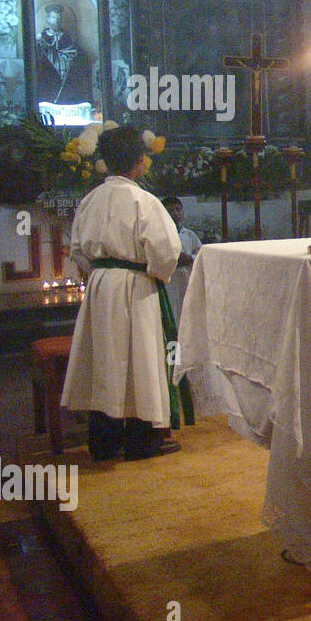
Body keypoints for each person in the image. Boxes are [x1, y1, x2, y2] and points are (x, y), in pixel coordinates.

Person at [62, 127, 192, 461]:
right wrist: (153, 276)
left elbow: (77, 249)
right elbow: (166, 251)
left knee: (104, 359)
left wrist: (99, 275)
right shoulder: (144, 201)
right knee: (139, 362)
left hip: (101, 286)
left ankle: (103, 442)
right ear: (139, 161)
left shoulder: (90, 200)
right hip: (135, 287)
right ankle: (142, 441)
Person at [161, 195, 202, 326]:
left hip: (186, 279)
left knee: (187, 315)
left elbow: (201, 255)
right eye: (171, 211)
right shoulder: (160, 235)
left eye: (178, 210)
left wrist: (190, 258)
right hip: (169, 282)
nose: (175, 214)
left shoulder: (189, 235)